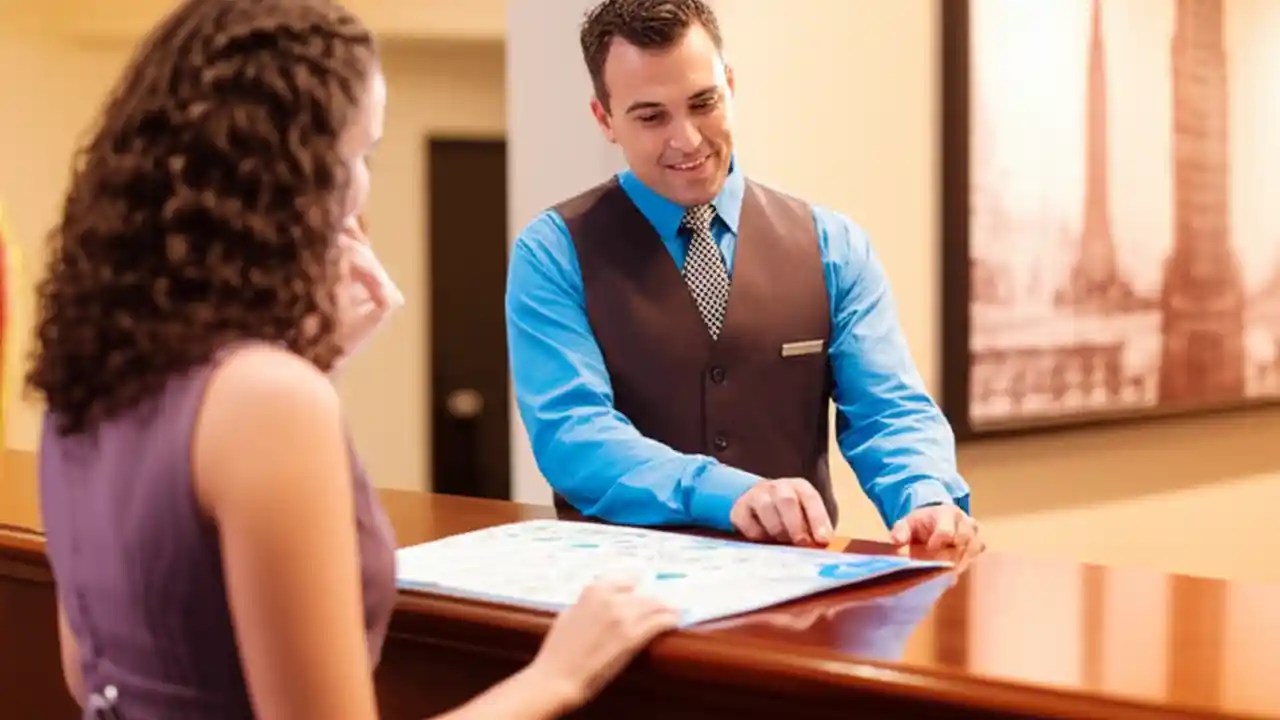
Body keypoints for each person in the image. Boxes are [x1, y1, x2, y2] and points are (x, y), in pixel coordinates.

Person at [27, 1, 677, 718]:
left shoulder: (89, 379)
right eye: (361, 155)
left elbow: (94, 677)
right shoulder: (269, 403)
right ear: (298, 175)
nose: (364, 193)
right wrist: (562, 671)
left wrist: (308, 360)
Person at [506, 0, 981, 555]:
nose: (687, 139)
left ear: (729, 84)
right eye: (651, 116)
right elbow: (573, 436)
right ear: (605, 119)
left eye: (703, 102)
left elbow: (887, 409)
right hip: (617, 597)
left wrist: (924, 497)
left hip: (795, 597)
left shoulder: (833, 246)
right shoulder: (552, 253)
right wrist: (724, 493)